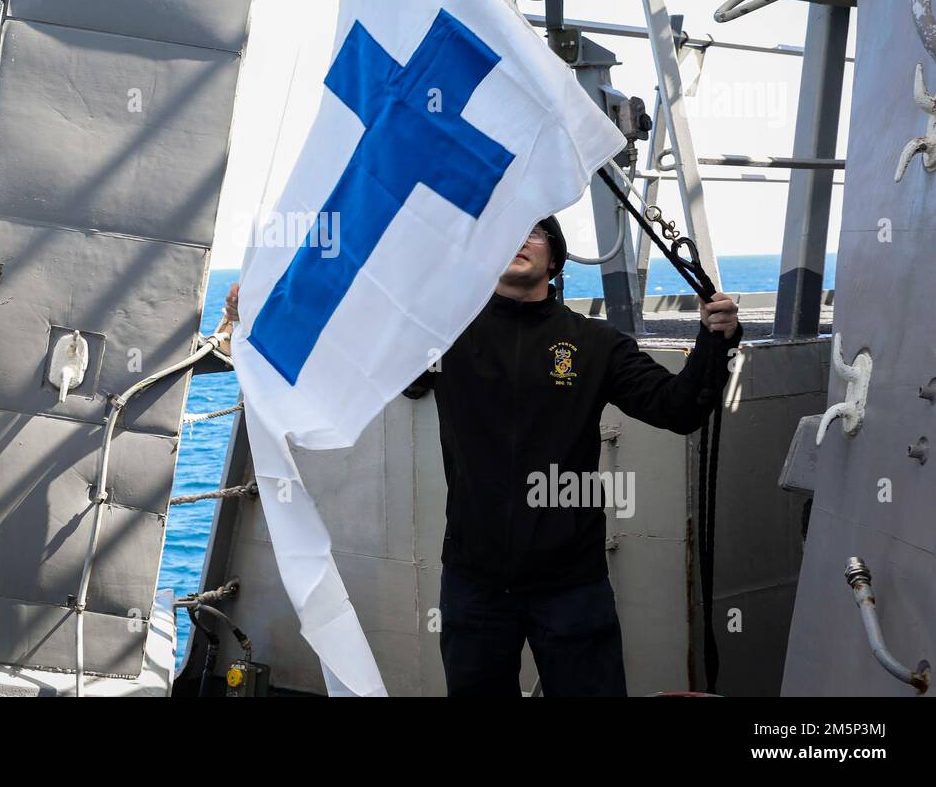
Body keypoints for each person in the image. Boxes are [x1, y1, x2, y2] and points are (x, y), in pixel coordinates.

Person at [217, 214, 741, 697]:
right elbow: (350, 350)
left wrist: (716, 341)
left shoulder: (595, 343)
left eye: (534, 231)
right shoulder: (444, 337)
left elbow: (679, 408)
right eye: (507, 228)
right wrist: (263, 315)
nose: (518, 238)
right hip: (475, 583)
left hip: (571, 583)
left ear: (555, 260)